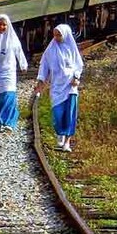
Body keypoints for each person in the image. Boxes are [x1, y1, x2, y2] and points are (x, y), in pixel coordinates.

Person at [35, 24, 84, 152]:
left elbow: (79, 65)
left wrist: (76, 77)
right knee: (58, 114)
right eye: (55, 35)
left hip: (70, 88)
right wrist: (41, 80)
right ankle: (60, 134)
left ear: (65, 35)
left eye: (59, 35)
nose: (56, 37)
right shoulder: (50, 50)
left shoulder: (72, 49)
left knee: (69, 115)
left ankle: (67, 142)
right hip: (57, 87)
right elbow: (44, 65)